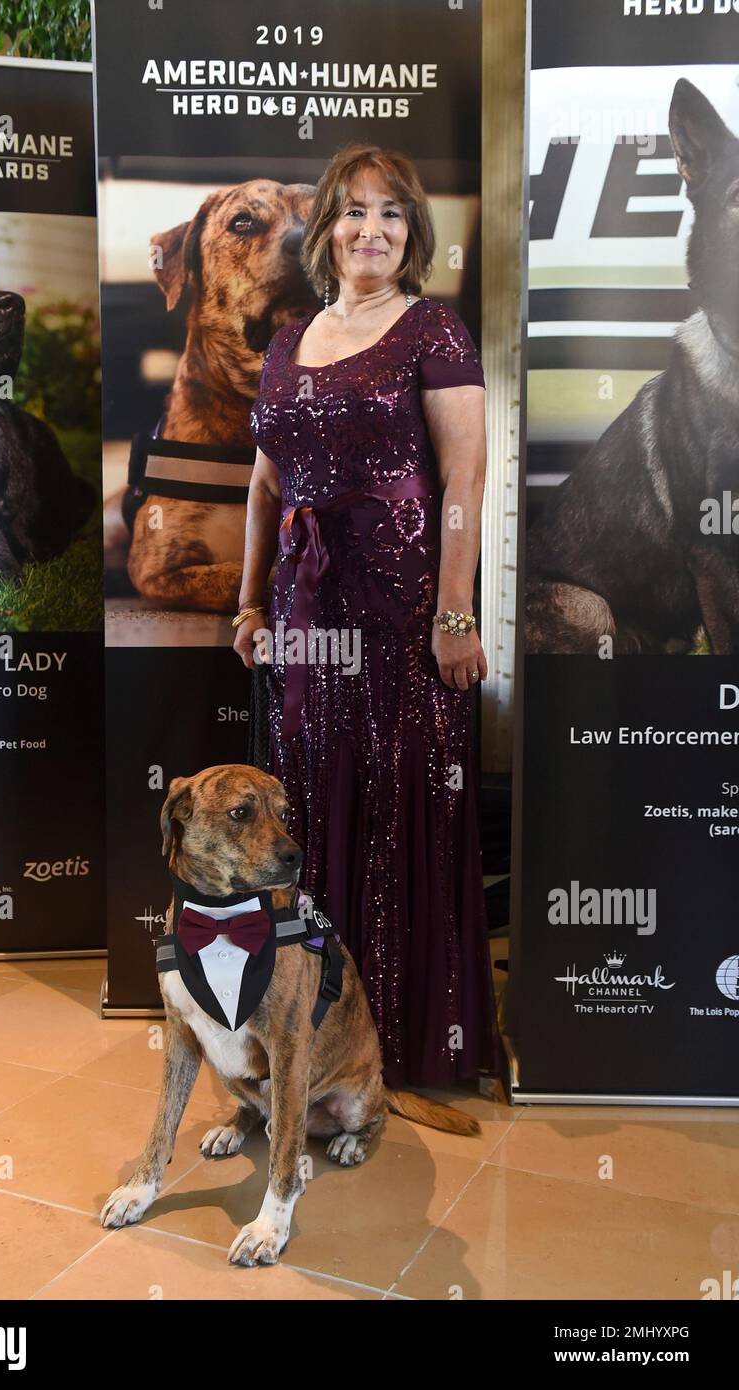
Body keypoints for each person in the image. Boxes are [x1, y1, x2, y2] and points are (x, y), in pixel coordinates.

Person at [234, 144, 501, 1088]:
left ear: (412, 232)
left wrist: (456, 614)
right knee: (314, 803)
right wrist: (250, 597)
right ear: (327, 231)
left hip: (404, 611)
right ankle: (316, 1048)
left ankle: (412, 1040)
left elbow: (464, 474)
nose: (371, 229)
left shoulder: (433, 328)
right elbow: (266, 485)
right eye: (354, 211)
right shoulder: (286, 342)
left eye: (391, 213)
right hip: (309, 616)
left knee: (402, 812)